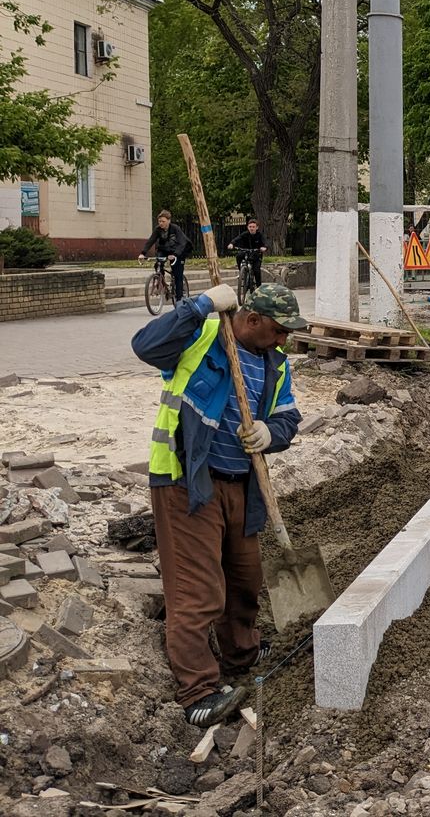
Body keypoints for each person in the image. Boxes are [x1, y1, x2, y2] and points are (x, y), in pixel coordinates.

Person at [131, 282, 306, 727]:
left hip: (242, 486)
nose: (285, 339)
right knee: (197, 589)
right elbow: (145, 345)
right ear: (252, 320)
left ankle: (241, 652)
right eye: (280, 329)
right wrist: (204, 302)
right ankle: (198, 692)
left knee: (246, 578)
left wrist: (271, 431)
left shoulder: (275, 364)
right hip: (188, 481)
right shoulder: (204, 335)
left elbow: (288, 416)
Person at [139, 210, 192, 299]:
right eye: (159, 221)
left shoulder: (175, 228)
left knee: (177, 273)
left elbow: (182, 243)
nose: (161, 223)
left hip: (179, 251)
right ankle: (160, 279)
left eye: (163, 221)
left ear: (169, 220)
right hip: (165, 250)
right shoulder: (158, 230)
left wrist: (175, 254)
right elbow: (151, 241)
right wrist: (142, 253)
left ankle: (179, 299)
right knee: (158, 263)